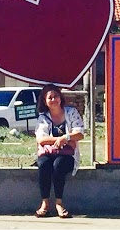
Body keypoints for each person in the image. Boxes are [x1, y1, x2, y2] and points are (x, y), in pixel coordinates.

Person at [33, 84, 84, 219]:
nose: (53, 99)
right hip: (48, 153)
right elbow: (41, 139)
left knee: (59, 165)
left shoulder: (71, 112)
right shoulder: (43, 117)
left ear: (61, 98)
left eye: (56, 96)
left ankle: (59, 203)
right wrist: (62, 140)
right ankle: (44, 203)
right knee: (43, 164)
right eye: (50, 97)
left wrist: (65, 137)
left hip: (67, 155)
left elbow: (79, 134)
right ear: (45, 101)